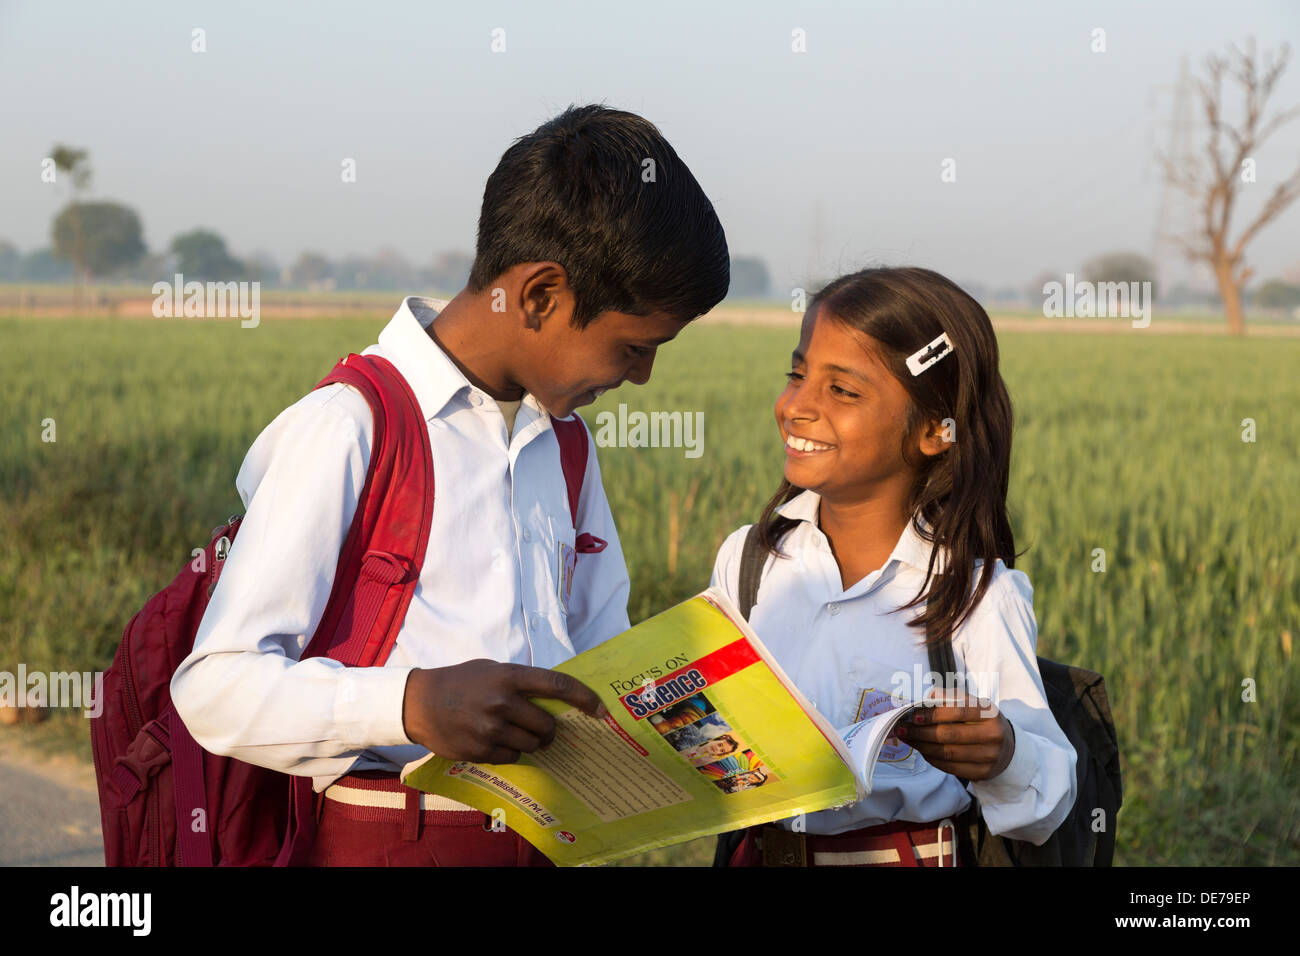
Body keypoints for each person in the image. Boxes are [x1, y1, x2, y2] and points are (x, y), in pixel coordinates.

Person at [170, 104, 730, 867]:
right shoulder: (353, 427)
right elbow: (214, 686)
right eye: (634, 347)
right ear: (540, 296)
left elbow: (600, 650)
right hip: (389, 840)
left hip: (545, 838)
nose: (643, 376)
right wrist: (409, 703)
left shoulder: (564, 445)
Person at [709, 266, 1075, 867]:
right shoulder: (749, 561)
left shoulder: (976, 594)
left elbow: (1047, 807)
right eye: (797, 375)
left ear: (934, 430)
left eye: (842, 391)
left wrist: (1005, 753)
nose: (796, 406)